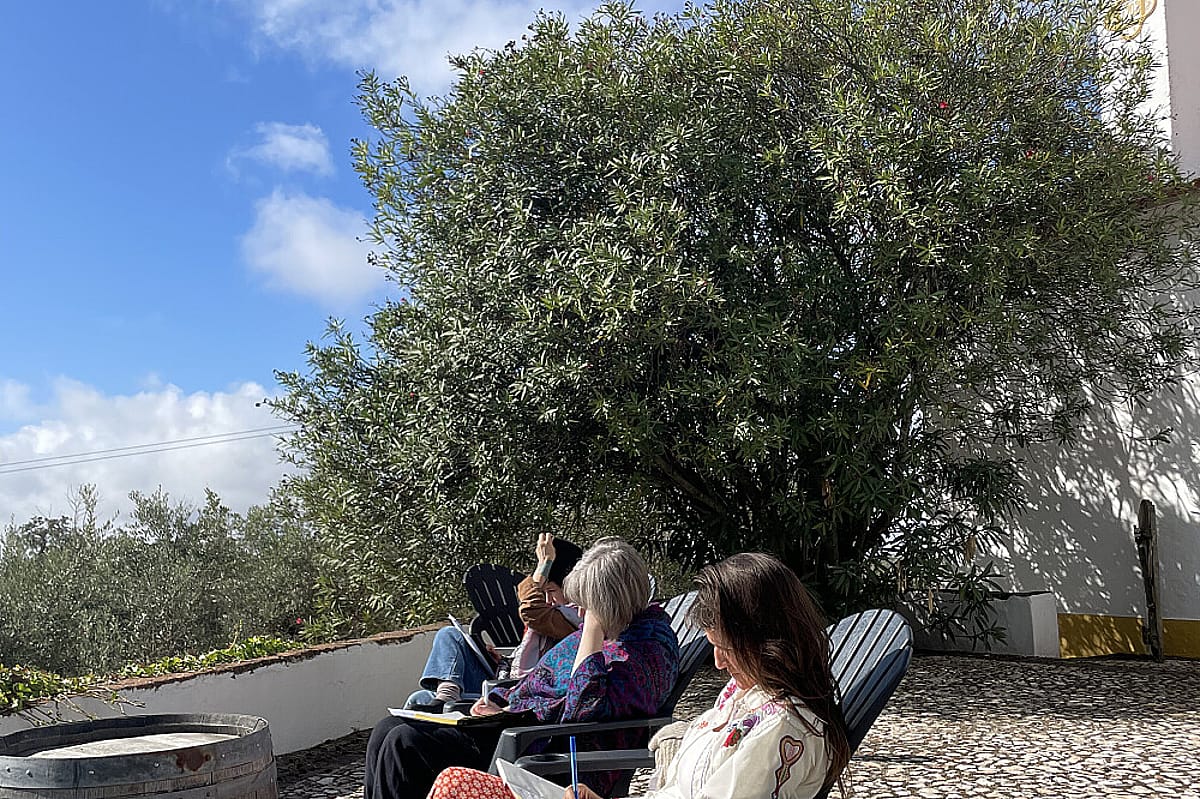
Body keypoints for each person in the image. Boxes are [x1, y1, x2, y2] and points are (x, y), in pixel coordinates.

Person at [426, 552, 851, 799]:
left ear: (765, 640)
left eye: (724, 648)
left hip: (549, 743)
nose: (718, 663)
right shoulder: (745, 695)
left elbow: (583, 707)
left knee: (453, 786)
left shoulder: (778, 732)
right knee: (449, 777)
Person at [364, 537, 680, 799]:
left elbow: (583, 710)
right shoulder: (616, 630)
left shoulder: (647, 649)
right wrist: (500, 699)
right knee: (385, 730)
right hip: (516, 726)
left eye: (587, 604)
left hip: (538, 748)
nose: (579, 611)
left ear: (607, 603)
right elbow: (545, 677)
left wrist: (593, 629)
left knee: (403, 743)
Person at [405, 534, 585, 712]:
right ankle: (447, 696)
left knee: (419, 699)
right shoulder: (554, 615)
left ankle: (445, 701)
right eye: (543, 592)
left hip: (512, 689)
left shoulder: (575, 618)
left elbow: (531, 610)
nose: (547, 599)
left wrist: (544, 565)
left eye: (551, 591)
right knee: (449, 635)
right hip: (502, 676)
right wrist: (504, 661)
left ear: (570, 588)